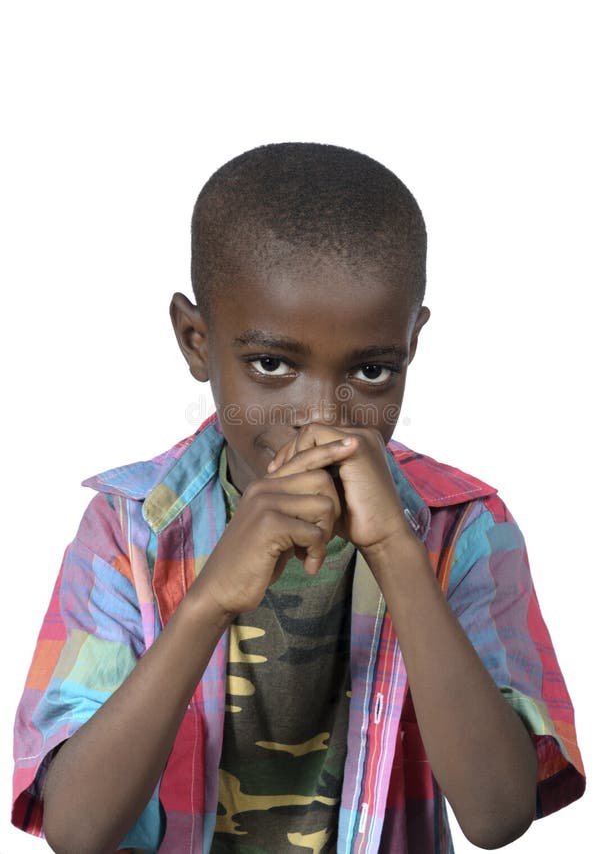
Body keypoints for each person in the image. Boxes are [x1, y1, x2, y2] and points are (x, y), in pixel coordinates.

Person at [12, 143, 585, 854]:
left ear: (412, 344)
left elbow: (498, 816)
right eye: (272, 365)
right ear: (196, 341)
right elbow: (76, 828)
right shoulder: (129, 530)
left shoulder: (463, 530)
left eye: (372, 371)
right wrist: (208, 601)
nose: (321, 416)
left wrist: (397, 553)